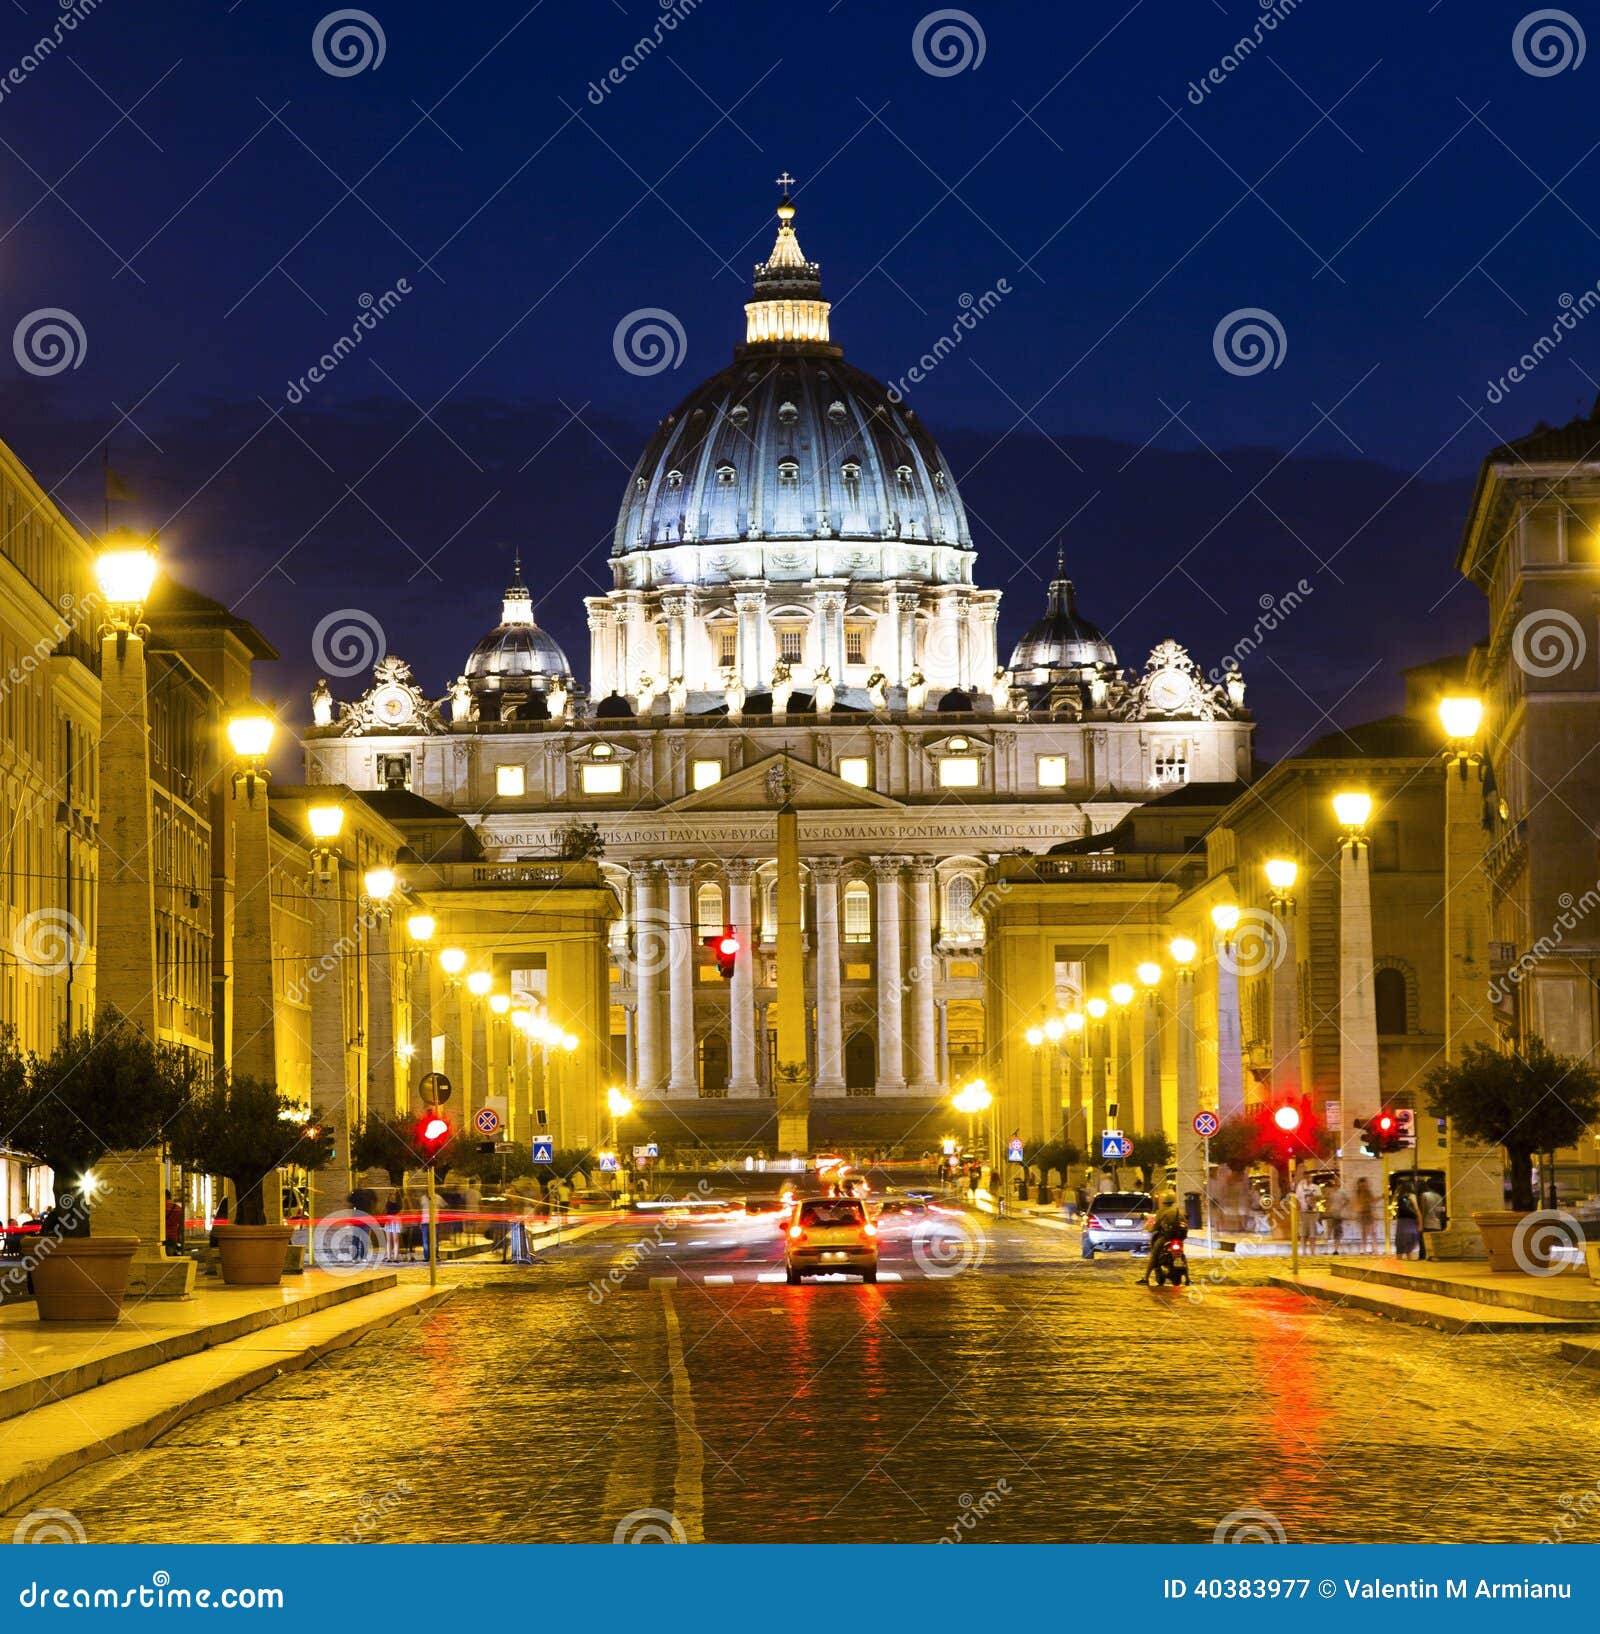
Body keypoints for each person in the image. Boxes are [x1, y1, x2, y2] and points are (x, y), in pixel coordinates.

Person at [1138, 1190, 1187, 1285]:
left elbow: (1155, 1227)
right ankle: (1188, 1279)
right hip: (1178, 1239)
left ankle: (1146, 1278)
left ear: (1162, 1201)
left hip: (1165, 1238)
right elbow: (1185, 1222)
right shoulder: (1178, 1211)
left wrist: (1150, 1229)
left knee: (1154, 1256)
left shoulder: (1162, 1212)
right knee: (1182, 1256)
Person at [1394, 1183, 1421, 1259]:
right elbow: (1416, 1209)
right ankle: (1408, 1260)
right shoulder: (1411, 1195)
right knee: (1409, 1242)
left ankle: (1400, 1261)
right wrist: (1420, 1222)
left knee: (1400, 1242)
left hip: (1401, 1221)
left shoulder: (1400, 1197)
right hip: (1410, 1221)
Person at [1322, 1181, 1349, 1254]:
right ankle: (1327, 1250)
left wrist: (1341, 1207)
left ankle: (1336, 1250)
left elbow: (1347, 1200)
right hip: (1331, 1214)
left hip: (1337, 1214)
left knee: (1336, 1232)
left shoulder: (1341, 1192)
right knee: (1329, 1232)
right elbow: (1327, 1202)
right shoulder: (1330, 1193)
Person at [1354, 1176, 1379, 1253]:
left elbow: (1373, 1201)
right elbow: (1357, 1203)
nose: (1363, 1187)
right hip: (1362, 1214)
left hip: (1369, 1214)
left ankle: (1375, 1249)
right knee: (1364, 1233)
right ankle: (1365, 1250)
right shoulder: (1358, 1193)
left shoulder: (1368, 1192)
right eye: (1361, 1185)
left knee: (1373, 1232)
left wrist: (1379, 1198)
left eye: (1364, 1185)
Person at [381, 1191, 401, 1261]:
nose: (393, 1195)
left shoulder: (399, 1201)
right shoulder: (387, 1201)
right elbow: (384, 1211)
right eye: (392, 1193)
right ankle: (389, 1257)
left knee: (396, 1240)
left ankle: (395, 1257)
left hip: (396, 1219)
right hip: (388, 1220)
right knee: (388, 1240)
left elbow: (401, 1211)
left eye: (394, 1194)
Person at [163, 1189, 184, 1256]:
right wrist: (179, 1237)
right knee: (170, 1255)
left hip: (161, 1236)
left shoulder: (161, 1207)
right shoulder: (178, 1208)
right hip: (172, 1236)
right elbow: (181, 1225)